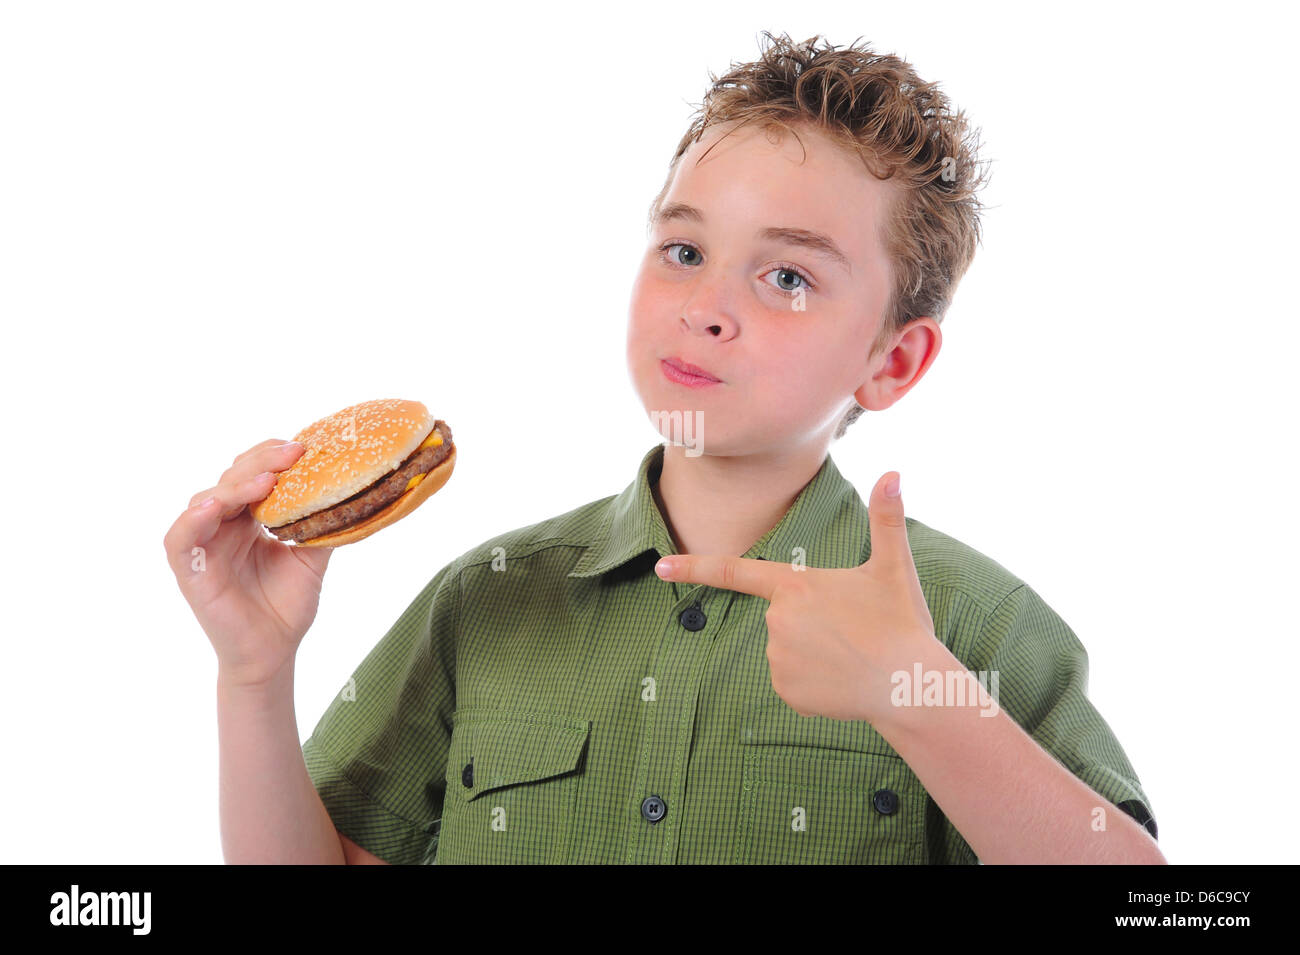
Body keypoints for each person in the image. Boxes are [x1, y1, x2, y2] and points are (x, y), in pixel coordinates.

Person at [165, 31, 1163, 864]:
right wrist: (252, 673)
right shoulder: (487, 598)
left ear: (892, 362)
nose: (707, 308)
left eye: (787, 278)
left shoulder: (967, 625)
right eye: (684, 252)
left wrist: (923, 698)